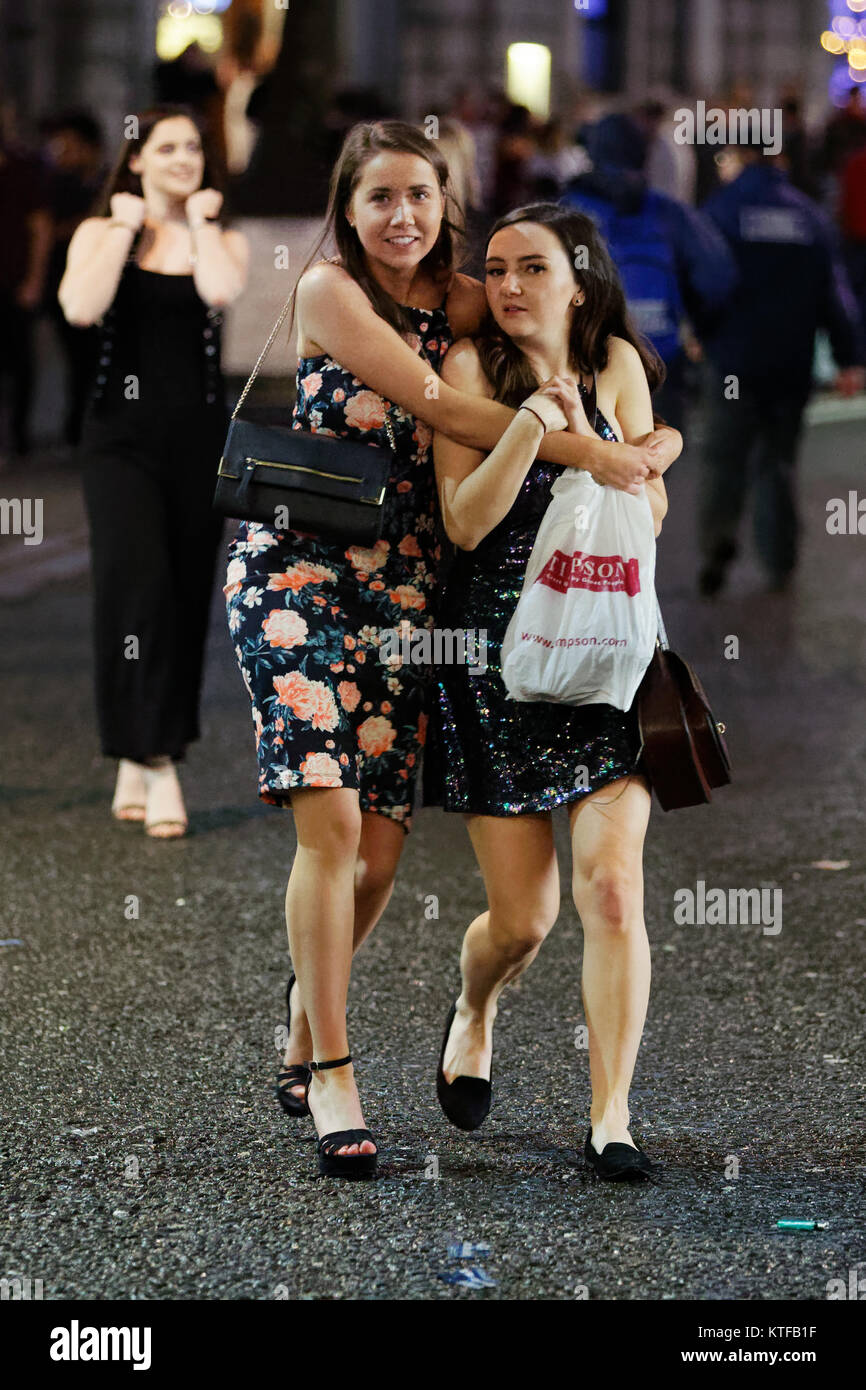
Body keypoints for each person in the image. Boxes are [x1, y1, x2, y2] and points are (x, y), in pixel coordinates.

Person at [225, 119, 680, 1179]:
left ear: (446, 206)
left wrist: (656, 435)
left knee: (377, 854)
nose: (400, 217)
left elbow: (560, 306)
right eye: (377, 197)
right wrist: (601, 452)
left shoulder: (468, 295)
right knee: (331, 818)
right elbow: (437, 402)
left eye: (420, 198)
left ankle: (314, 1004)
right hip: (299, 570)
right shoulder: (333, 291)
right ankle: (331, 1063)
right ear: (345, 208)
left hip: (413, 592)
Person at [428, 203, 672, 1180]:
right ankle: (475, 1005)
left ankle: (609, 1115)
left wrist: (645, 456)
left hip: (608, 648)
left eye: (530, 266)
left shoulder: (612, 359)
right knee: (522, 919)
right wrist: (531, 428)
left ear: (577, 278)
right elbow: (463, 524)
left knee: (611, 888)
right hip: (498, 663)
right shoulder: (466, 372)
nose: (508, 285)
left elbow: (648, 514)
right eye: (493, 268)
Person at [59, 107, 249, 834]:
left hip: (199, 441)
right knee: (133, 591)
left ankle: (140, 755)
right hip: (119, 441)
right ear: (135, 160)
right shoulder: (101, 231)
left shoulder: (220, 235)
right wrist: (123, 227)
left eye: (193, 147)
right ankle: (156, 758)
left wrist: (197, 222)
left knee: (180, 596)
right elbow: (81, 307)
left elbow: (222, 292)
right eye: (166, 147)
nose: (183, 157)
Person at [698, 142, 865, 596]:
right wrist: (849, 357)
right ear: (783, 163)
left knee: (724, 457)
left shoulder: (722, 209)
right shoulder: (809, 217)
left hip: (734, 360)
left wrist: (704, 334)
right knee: (778, 461)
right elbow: (836, 295)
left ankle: (718, 543)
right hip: (791, 364)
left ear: (743, 158)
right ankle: (780, 560)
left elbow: (703, 281)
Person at [562, 113, 737, 432]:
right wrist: (696, 325)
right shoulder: (670, 213)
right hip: (658, 359)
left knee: (582, 469)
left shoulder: (564, 212)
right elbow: (715, 277)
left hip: (580, 363)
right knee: (650, 465)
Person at [39, 111, 107, 447]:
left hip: (105, 287)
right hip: (65, 286)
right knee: (78, 362)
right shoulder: (56, 185)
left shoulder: (111, 182)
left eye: (71, 147)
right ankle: (75, 431)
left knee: (97, 362)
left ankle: (91, 429)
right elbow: (47, 231)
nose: (64, 155)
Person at [0, 123, 51, 461]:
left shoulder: (24, 167)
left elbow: (41, 227)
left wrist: (34, 280)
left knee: (20, 363)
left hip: (16, 284)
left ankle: (18, 437)